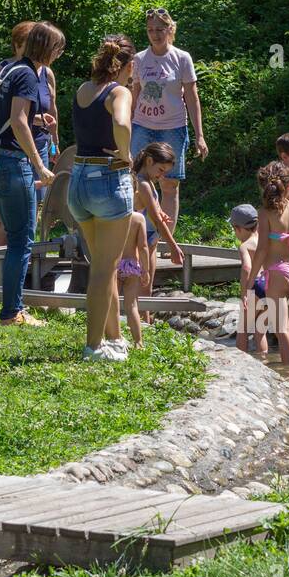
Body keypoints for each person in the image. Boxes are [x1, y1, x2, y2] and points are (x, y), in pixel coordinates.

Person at [0, 21, 65, 327]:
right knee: (20, 241)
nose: (59, 54)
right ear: (46, 47)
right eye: (58, 48)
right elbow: (17, 121)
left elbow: (9, 114)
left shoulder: (9, 71)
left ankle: (9, 305)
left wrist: (36, 120)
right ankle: (12, 312)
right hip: (14, 165)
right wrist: (39, 164)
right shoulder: (28, 74)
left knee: (15, 237)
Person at [70, 34, 139, 362]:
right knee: (104, 268)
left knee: (103, 265)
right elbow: (122, 124)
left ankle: (114, 337)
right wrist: (126, 155)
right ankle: (93, 347)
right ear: (129, 66)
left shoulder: (84, 89)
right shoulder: (119, 91)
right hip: (108, 180)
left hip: (78, 179)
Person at [0, 21, 59, 248]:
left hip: (39, 145)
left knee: (31, 212)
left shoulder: (46, 73)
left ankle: (25, 265)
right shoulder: (4, 69)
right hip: (7, 149)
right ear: (17, 46)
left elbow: (49, 107)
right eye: (27, 44)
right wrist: (24, 118)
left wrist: (54, 141)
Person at [130, 7, 206, 233]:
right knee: (137, 182)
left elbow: (192, 98)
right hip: (142, 125)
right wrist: (124, 129)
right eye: (150, 30)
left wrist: (200, 135)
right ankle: (138, 235)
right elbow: (133, 97)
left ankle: (164, 239)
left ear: (170, 29)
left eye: (160, 29)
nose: (155, 34)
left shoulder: (182, 58)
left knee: (169, 184)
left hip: (173, 127)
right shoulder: (139, 59)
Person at [242, 162, 289, 366]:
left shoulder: (264, 214)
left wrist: (250, 282)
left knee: (281, 329)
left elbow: (263, 249)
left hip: (277, 273)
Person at [129, 142, 185, 321]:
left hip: (151, 240)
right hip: (141, 242)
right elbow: (156, 219)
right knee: (140, 288)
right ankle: (141, 325)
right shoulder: (142, 183)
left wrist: (161, 213)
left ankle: (145, 325)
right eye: (160, 170)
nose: (162, 175)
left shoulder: (150, 182)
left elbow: (156, 210)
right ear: (149, 161)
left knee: (147, 288)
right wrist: (173, 246)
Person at [230, 203, 269, 355]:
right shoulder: (264, 239)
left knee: (243, 328)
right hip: (271, 285)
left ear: (238, 228)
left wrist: (244, 293)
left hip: (256, 286)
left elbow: (247, 268)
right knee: (261, 330)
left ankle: (242, 362)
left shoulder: (245, 246)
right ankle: (263, 361)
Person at [116, 212, 153, 348]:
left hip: (114, 263)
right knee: (132, 306)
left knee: (112, 304)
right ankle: (138, 342)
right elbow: (143, 247)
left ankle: (114, 337)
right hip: (131, 264)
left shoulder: (111, 215)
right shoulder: (138, 218)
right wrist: (146, 270)